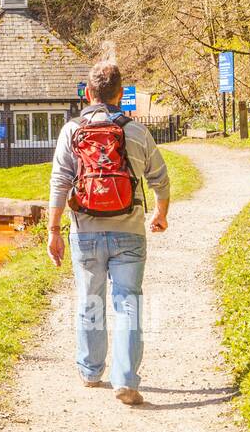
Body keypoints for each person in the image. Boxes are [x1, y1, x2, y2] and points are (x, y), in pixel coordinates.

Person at [46, 61, 170, 406]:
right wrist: (161, 213)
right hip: (130, 231)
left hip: (85, 231)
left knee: (90, 299)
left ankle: (90, 370)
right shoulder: (136, 131)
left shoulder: (72, 131)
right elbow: (160, 177)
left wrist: (54, 229)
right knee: (128, 301)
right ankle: (126, 380)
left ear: (87, 94)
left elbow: (59, 182)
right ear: (121, 95)